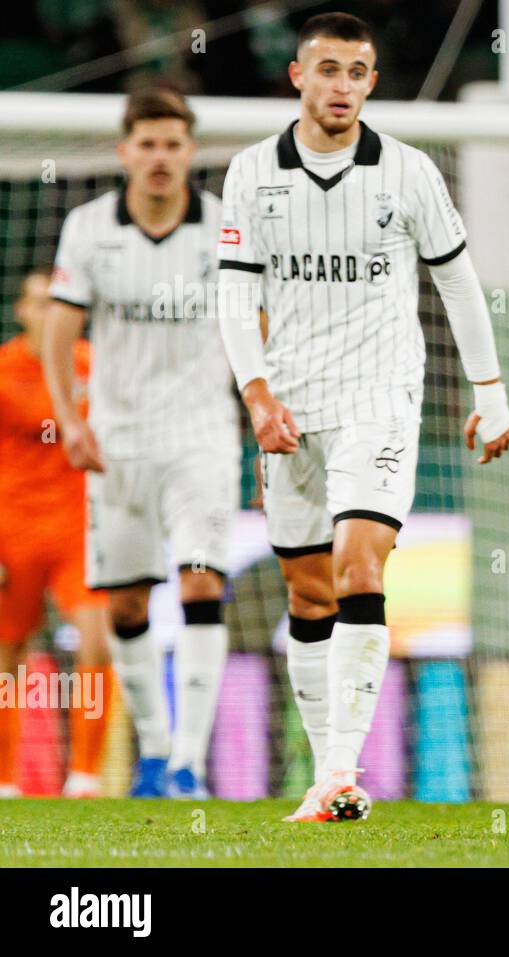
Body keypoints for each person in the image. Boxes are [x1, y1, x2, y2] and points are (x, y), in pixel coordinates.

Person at [217, 12, 509, 823]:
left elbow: (458, 282)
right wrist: (257, 395)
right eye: (329, 70)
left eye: (358, 72)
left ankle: (342, 772)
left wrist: (489, 391)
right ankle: (327, 770)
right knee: (308, 594)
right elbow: (237, 294)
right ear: (297, 76)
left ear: (372, 83)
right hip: (290, 405)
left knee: (358, 564)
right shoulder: (251, 174)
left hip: (381, 399)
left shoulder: (408, 173)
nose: (343, 86)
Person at [44, 87, 237, 800]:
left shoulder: (225, 227)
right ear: (126, 151)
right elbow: (60, 328)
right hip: (119, 440)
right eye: (147, 144)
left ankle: (189, 759)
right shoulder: (89, 227)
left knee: (200, 578)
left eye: (173, 144)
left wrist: (262, 403)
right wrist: (71, 417)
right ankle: (154, 749)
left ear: (191, 152)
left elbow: (255, 322)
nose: (160, 158)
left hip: (203, 436)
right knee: (125, 604)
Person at [0, 269, 113, 798]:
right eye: (39, 304)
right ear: (22, 310)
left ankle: (85, 775)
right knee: (9, 655)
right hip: (11, 529)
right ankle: (5, 780)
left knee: (96, 641)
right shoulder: (3, 372)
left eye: (58, 305)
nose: (49, 315)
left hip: (76, 530)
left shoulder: (95, 366)